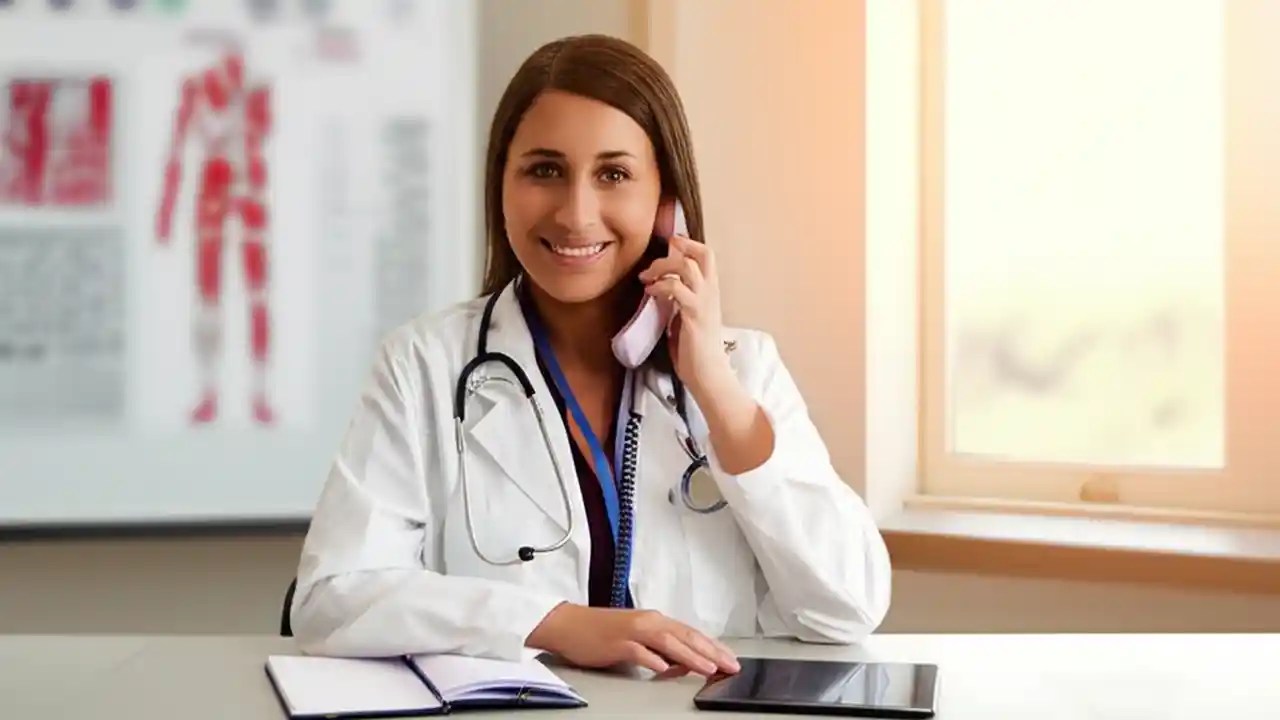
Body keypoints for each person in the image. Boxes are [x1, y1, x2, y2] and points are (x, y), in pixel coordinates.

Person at [290, 33, 891, 679]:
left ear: (669, 204)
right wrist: (558, 625)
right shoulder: (424, 365)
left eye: (614, 174)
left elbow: (846, 609)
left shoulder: (743, 369)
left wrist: (716, 391)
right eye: (544, 170)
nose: (577, 214)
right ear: (502, 185)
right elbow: (331, 599)